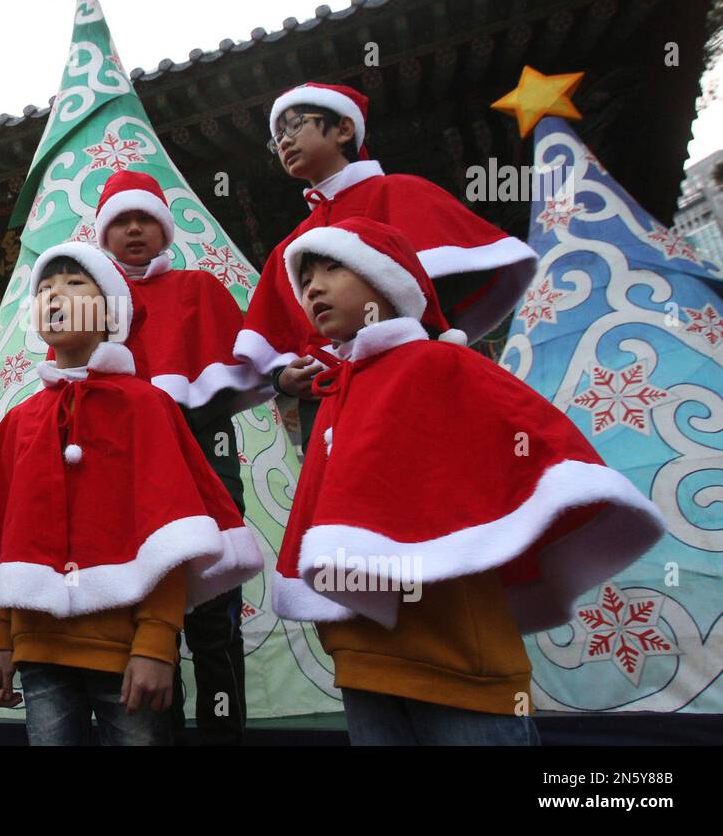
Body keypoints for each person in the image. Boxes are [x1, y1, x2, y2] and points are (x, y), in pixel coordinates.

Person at [271, 217, 665, 745]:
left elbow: (528, 445)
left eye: (332, 266)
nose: (313, 286)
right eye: (305, 278)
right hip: (360, 664)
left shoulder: (436, 364)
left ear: (387, 280)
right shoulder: (338, 394)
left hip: (458, 663)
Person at [0, 242, 263, 745]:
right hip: (38, 652)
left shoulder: (147, 407)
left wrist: (156, 641)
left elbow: (172, 533)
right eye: (45, 289)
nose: (55, 296)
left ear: (111, 311)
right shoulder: (18, 422)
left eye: (74, 285)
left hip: (126, 648)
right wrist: (0, 640)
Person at [235, 82, 537, 444]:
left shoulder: (399, 193)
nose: (283, 141)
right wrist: (282, 378)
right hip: (330, 402)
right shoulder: (290, 246)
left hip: (412, 376)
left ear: (344, 129)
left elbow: (448, 288)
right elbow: (278, 338)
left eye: (296, 124)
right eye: (277, 136)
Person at [94, 168, 262, 745]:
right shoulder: (92, 308)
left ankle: (224, 736)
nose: (135, 230)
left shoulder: (200, 289)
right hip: (128, 477)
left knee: (214, 618)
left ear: (165, 229)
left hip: (204, 461)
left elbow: (235, 385)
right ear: (104, 235)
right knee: (144, 622)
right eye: (122, 221)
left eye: (145, 219)